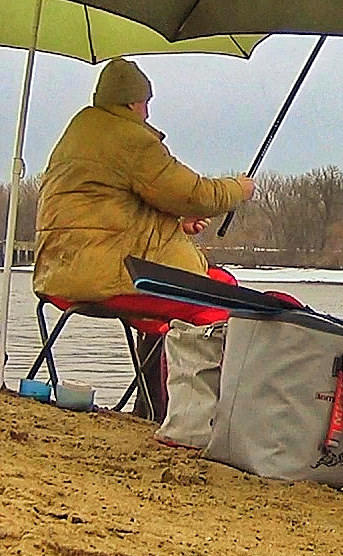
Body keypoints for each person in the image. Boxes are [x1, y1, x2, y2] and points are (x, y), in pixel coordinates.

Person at [33, 58, 254, 414]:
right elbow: (195, 193)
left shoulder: (79, 134)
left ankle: (149, 404)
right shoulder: (129, 138)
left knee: (171, 288)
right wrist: (239, 189)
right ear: (133, 102)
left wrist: (176, 225)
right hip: (107, 279)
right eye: (146, 104)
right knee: (224, 295)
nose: (148, 114)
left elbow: (103, 215)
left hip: (59, 273)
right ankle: (187, 411)